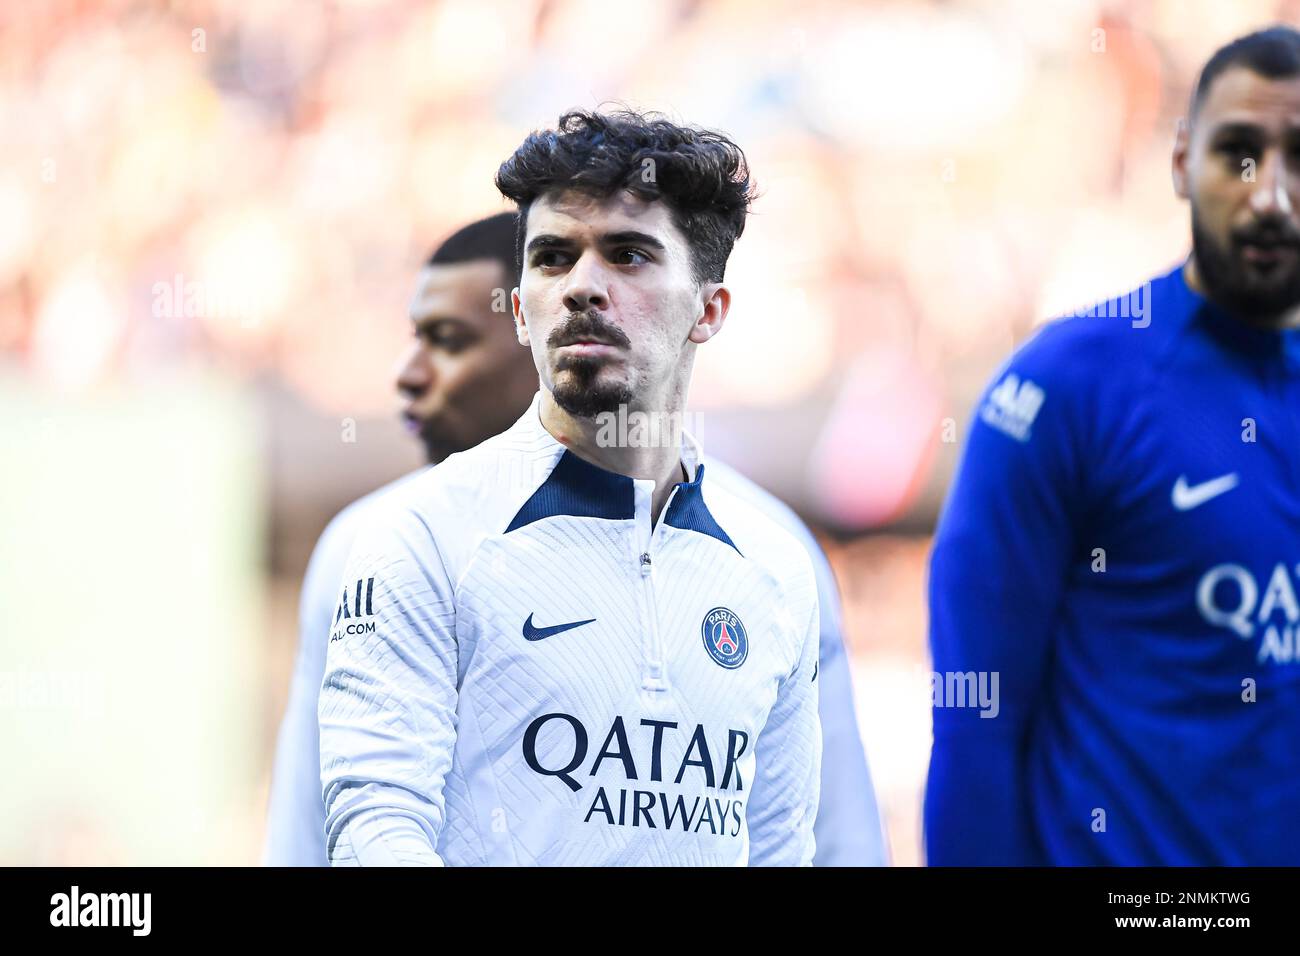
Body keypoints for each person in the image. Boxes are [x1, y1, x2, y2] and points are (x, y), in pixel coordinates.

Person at [305, 109, 881, 866]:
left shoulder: (775, 569)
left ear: (708, 310)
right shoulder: (423, 536)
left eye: (628, 255)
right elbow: (377, 830)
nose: (581, 286)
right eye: (551, 258)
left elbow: (778, 849)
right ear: (517, 312)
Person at [925, 26, 1300, 865]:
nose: (1270, 194)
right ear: (1178, 161)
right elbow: (976, 727)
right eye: (1238, 152)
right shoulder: (1064, 390)